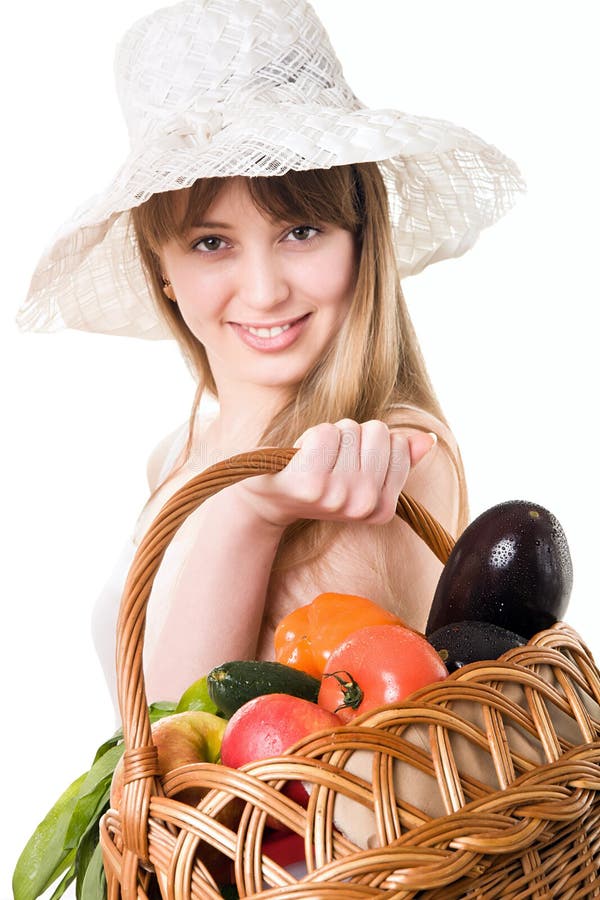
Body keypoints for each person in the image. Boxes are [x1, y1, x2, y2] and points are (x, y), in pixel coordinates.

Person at [16, 0, 525, 715]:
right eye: (210, 242)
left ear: (360, 240)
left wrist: (250, 517)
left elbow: (200, 753)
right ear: (161, 266)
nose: (263, 290)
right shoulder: (179, 453)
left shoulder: (382, 459)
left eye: (301, 230)